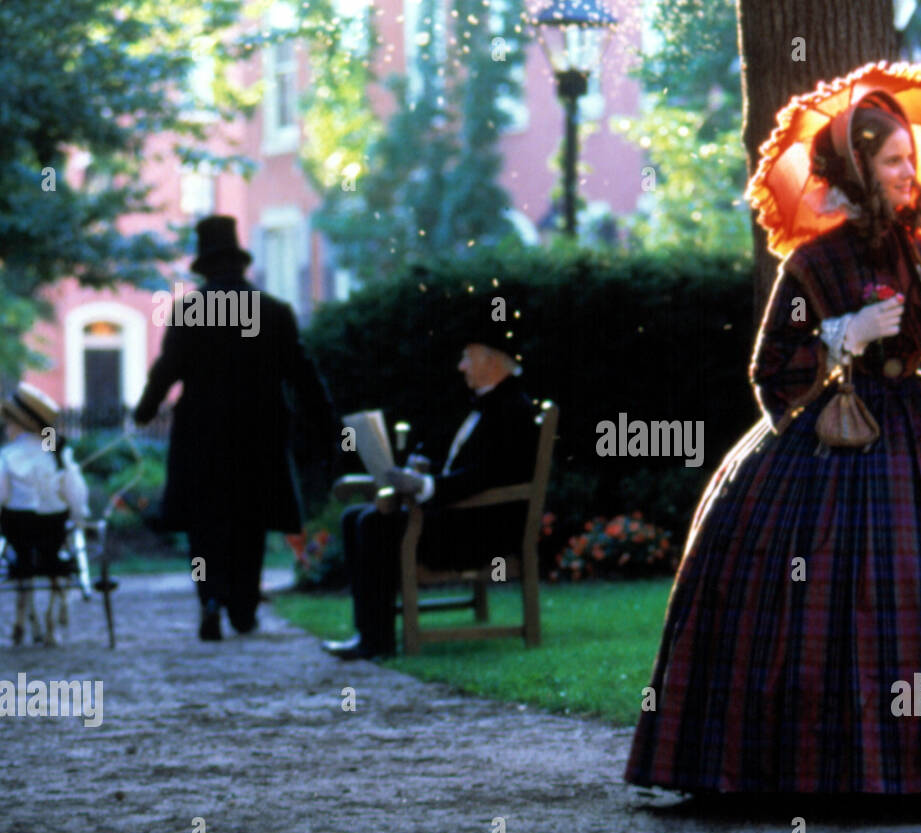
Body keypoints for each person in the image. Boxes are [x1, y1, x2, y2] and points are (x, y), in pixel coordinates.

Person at [625, 68, 921, 800]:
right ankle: (810, 767)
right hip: (830, 440)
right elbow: (771, 374)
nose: (905, 173)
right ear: (856, 168)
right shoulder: (813, 263)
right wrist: (839, 337)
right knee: (823, 598)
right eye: (890, 161)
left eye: (906, 159)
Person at [134, 215, 335, 641]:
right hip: (259, 437)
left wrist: (144, 410)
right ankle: (243, 608)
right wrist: (327, 423)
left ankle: (209, 599)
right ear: (241, 264)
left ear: (204, 266)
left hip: (201, 437)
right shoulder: (274, 311)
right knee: (250, 521)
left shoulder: (190, 310)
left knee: (204, 524)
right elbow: (303, 373)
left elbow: (166, 370)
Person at [323, 329, 538, 660]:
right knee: (355, 517)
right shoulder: (489, 405)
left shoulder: (513, 409)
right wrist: (427, 468)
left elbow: (488, 477)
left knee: (373, 523)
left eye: (468, 357)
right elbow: (469, 467)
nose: (461, 367)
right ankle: (368, 630)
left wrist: (425, 486)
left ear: (492, 361)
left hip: (483, 534)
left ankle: (376, 640)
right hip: (463, 519)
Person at [0, 384, 90, 644]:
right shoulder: (59, 456)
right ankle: (51, 618)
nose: (6, 428)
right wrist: (79, 519)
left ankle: (24, 616)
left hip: (19, 531)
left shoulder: (7, 456)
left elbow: (2, 497)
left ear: (18, 424)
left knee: (17, 532)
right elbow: (76, 497)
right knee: (54, 542)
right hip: (53, 531)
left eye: (8, 423)